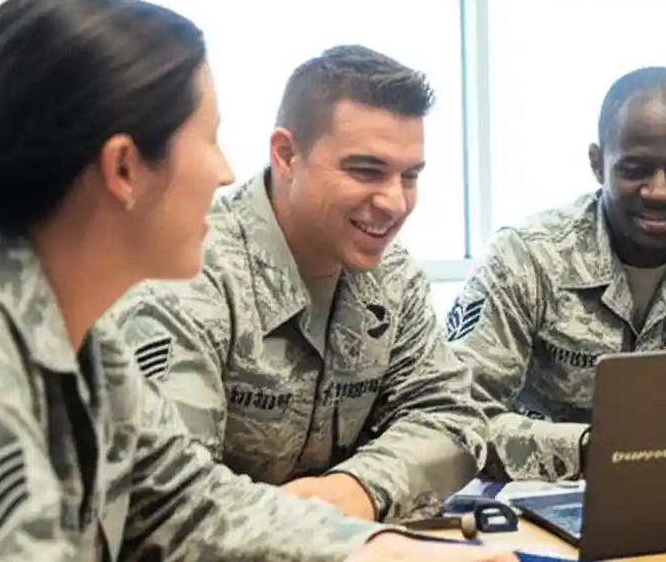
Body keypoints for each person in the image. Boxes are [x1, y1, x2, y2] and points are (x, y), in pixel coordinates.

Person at [0, 0, 553, 562]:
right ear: (123, 168)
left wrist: (378, 551)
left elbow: (186, 501)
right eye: (206, 138)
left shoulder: (69, 332)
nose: (226, 171)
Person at [108, 45, 484, 523]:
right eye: (366, 170)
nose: (394, 202)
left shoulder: (393, 279)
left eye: (410, 176)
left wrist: (358, 489)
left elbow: (454, 419)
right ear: (287, 154)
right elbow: (165, 493)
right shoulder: (186, 274)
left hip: (342, 560)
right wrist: (306, 520)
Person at [447, 67, 666, 482]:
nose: (659, 191)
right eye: (635, 170)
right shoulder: (526, 258)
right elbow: (456, 419)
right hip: (549, 499)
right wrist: (589, 450)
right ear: (598, 164)